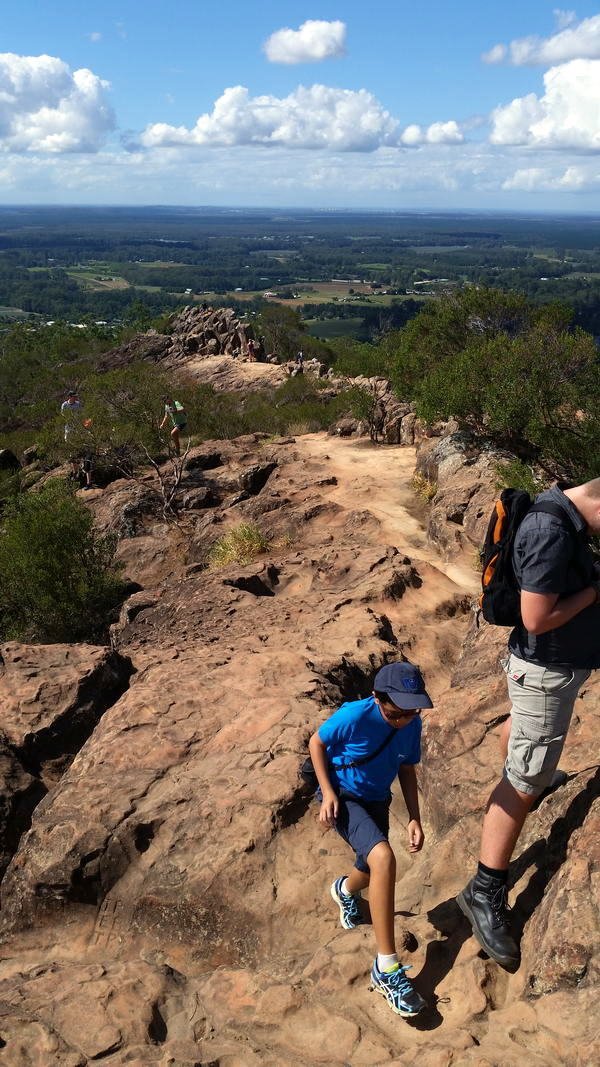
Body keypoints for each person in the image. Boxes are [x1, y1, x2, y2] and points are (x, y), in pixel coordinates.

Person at [457, 478, 600, 970]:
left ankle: (526, 781)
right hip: (545, 670)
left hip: (545, 669)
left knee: (524, 741)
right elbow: (536, 618)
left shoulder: (564, 515)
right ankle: (484, 890)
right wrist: (594, 593)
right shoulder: (551, 530)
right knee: (523, 780)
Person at [308, 660, 433, 1018]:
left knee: (368, 869)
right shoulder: (355, 715)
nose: (403, 721)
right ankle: (386, 967)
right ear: (378, 698)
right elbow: (317, 742)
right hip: (344, 796)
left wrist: (414, 816)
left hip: (377, 799)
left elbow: (406, 767)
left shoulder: (411, 723)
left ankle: (344, 890)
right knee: (383, 858)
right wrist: (327, 793)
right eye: (395, 714)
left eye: (410, 712)